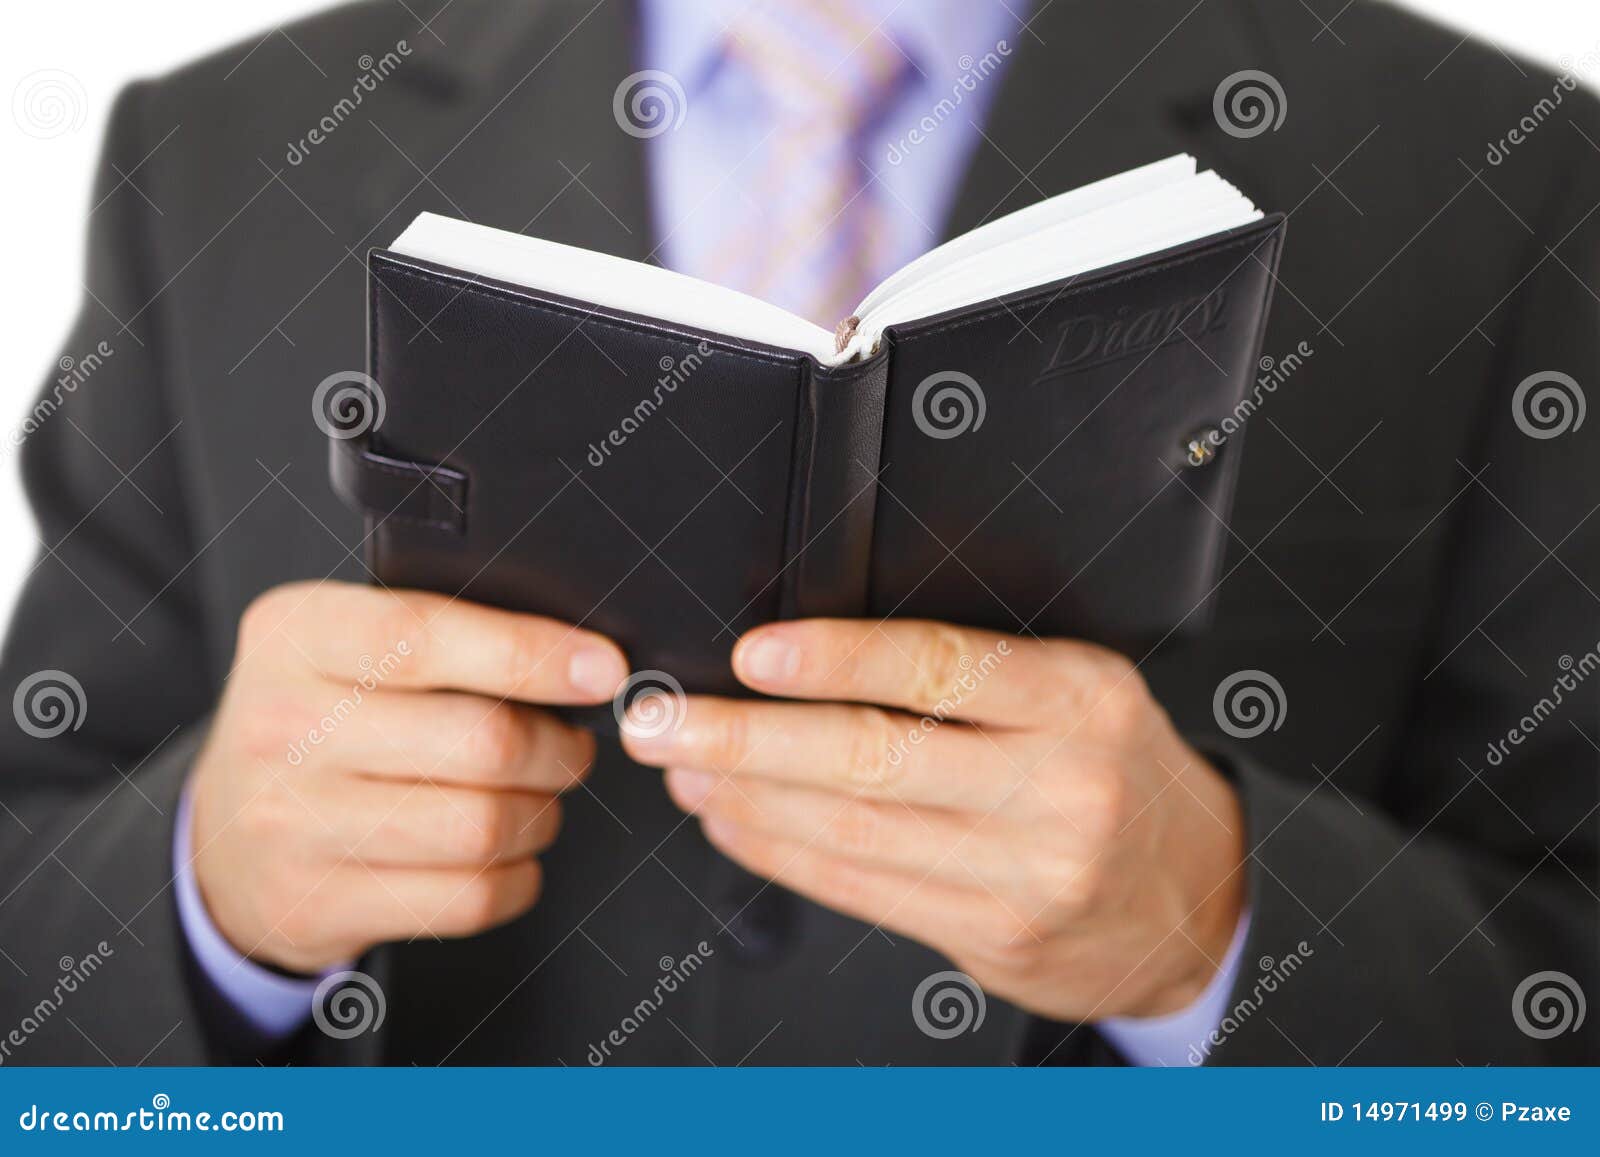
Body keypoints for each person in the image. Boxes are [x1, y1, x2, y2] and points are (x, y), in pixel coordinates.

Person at [0, 0, 1594, 1065]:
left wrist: (1218, 926)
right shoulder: (211, 152)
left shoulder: (1501, 171)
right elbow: (29, 879)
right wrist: (208, 886)